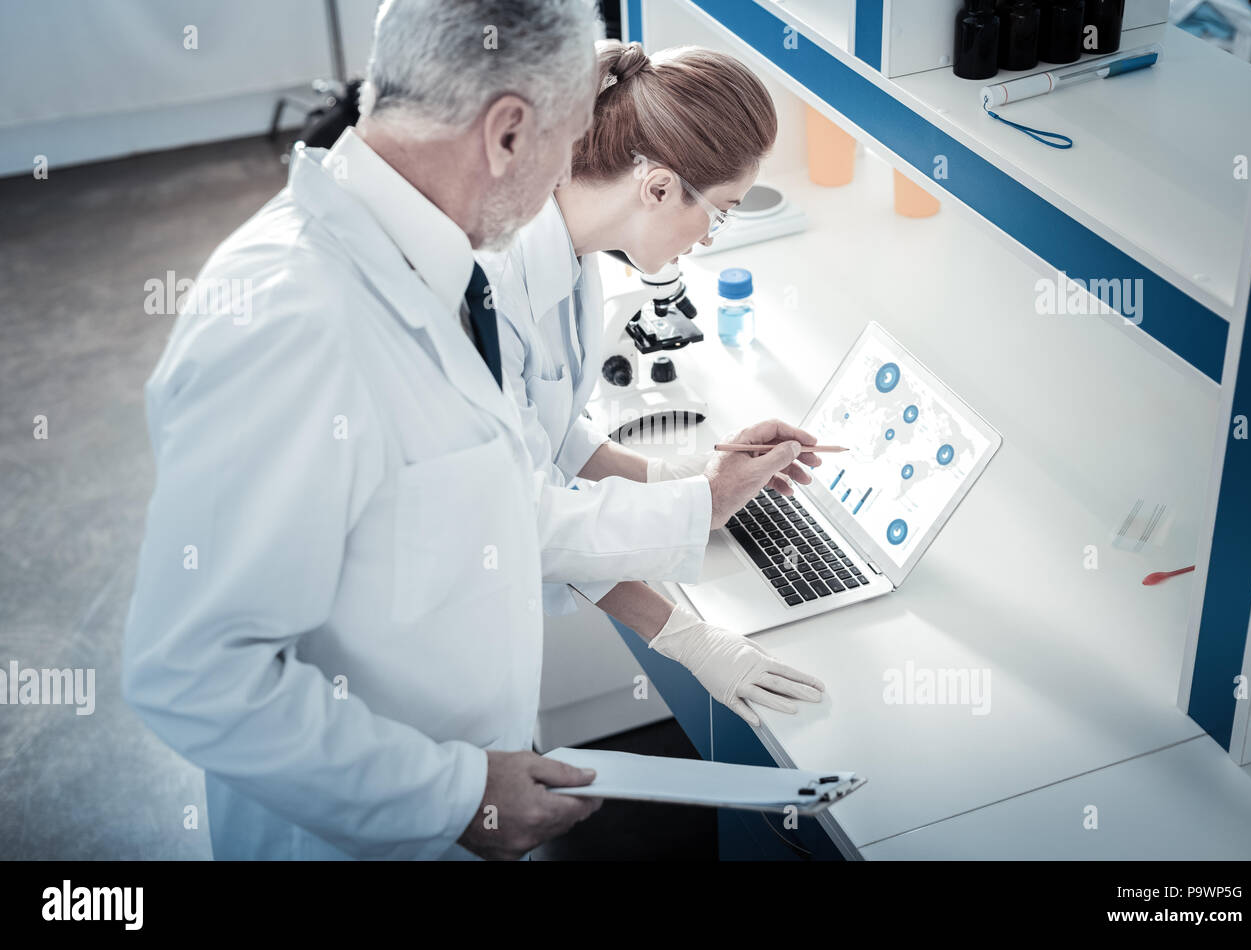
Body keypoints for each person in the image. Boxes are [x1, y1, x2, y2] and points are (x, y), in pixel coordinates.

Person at [122, 0, 812, 862]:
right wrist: (454, 794)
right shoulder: (290, 323)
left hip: (466, 775)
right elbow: (194, 674)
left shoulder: (434, 268)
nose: (575, 168)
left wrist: (687, 495)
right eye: (571, 139)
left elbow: (496, 491)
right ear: (510, 134)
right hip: (363, 832)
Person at [479, 41, 823, 727]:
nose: (710, 236)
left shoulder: (573, 254)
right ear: (659, 186)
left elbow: (544, 431)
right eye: (720, 210)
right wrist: (702, 518)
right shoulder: (489, 280)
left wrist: (677, 475)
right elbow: (522, 519)